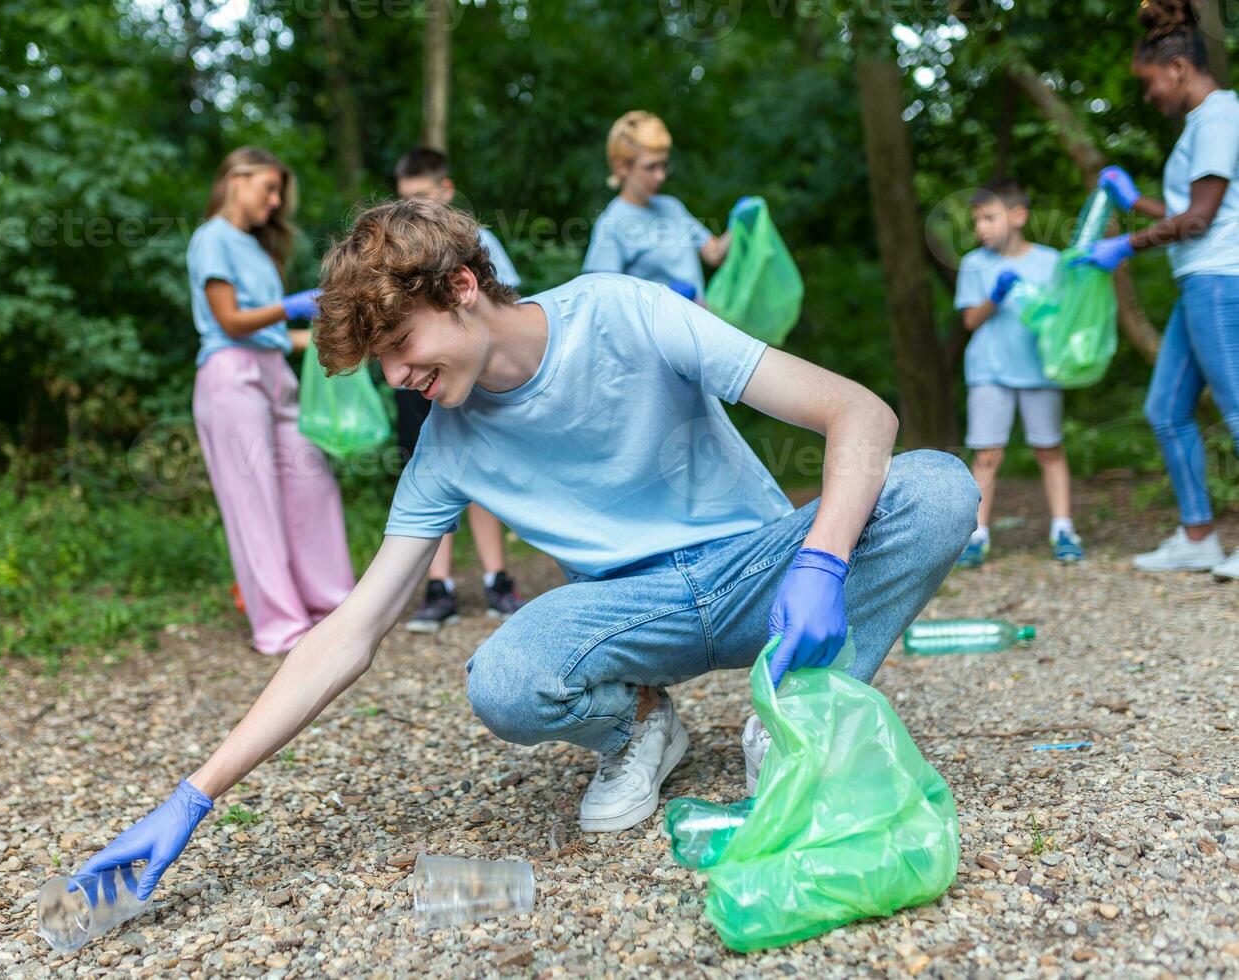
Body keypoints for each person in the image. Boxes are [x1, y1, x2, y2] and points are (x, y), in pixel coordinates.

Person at [77, 198, 978, 900]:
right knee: (504, 678)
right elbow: (349, 631)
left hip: (761, 575)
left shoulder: (623, 311)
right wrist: (194, 794)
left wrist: (820, 561)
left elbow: (860, 413)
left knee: (937, 488)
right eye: (384, 364)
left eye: (402, 345)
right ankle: (640, 726)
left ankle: (799, 713)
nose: (399, 379)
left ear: (463, 286)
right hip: (637, 615)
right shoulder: (446, 445)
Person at [1082, 0, 1239, 580]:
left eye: (1149, 82)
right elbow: (1187, 210)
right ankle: (1198, 537)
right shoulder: (1202, 124)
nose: (1148, 95)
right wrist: (1134, 202)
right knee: (1167, 409)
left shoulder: (1219, 117)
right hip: (1198, 280)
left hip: (1221, 277)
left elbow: (1199, 219)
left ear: (1177, 68)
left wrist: (1125, 245)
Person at [186, 147, 355, 654]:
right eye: (269, 188)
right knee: (254, 501)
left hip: (273, 372)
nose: (276, 201)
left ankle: (332, 605)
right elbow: (230, 321)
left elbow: (276, 337)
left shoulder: (257, 250)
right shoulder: (212, 238)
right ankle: (281, 626)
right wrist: (290, 306)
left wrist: (342, 339)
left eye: (279, 192)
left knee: (312, 484)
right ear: (236, 180)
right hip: (231, 374)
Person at [391, 146, 527, 630]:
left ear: (446, 190)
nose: (414, 207)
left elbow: (507, 303)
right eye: (405, 199)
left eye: (422, 196)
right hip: (421, 379)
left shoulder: (478, 240)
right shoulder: (398, 249)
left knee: (484, 466)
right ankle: (439, 586)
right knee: (429, 467)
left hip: (473, 377)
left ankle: (497, 579)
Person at [953, 179, 1084, 567]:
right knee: (987, 453)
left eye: (989, 218)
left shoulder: (1049, 261)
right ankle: (976, 534)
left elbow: (1064, 317)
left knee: (1049, 449)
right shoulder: (974, 264)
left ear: (1018, 216)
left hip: (1040, 371)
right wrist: (994, 296)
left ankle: (1063, 529)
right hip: (989, 372)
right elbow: (970, 321)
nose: (981, 227)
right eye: (977, 220)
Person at [582, 110, 731, 301]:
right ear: (621, 168)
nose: (660, 176)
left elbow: (714, 254)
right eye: (650, 167)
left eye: (663, 165)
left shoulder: (673, 207)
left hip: (699, 319)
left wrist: (740, 225)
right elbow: (600, 298)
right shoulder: (612, 223)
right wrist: (662, 302)